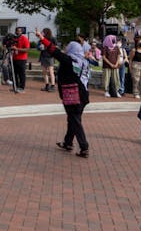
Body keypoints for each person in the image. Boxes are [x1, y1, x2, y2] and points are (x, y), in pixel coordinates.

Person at [36, 29, 90, 158]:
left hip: (73, 94)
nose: (66, 49)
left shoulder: (68, 60)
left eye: (68, 47)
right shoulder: (84, 61)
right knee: (73, 119)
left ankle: (84, 147)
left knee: (75, 120)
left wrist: (41, 38)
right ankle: (68, 143)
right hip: (83, 94)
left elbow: (54, 51)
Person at [11, 27, 30, 92]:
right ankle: (15, 87)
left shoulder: (24, 39)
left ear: (21, 32)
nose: (18, 32)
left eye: (19, 31)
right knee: (14, 73)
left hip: (22, 59)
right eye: (17, 31)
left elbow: (27, 49)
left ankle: (22, 87)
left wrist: (17, 49)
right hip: (14, 58)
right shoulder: (14, 39)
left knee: (21, 74)